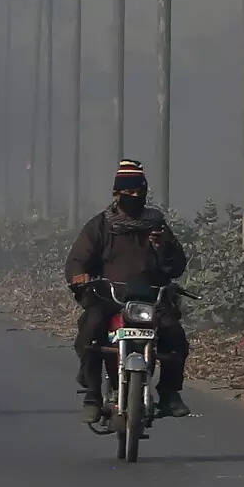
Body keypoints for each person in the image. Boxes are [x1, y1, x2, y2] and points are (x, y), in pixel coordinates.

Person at [64, 159, 191, 423]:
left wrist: (162, 246)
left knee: (174, 335)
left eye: (138, 192)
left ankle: (169, 393)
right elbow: (78, 259)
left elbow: (176, 265)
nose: (134, 197)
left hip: (150, 299)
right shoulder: (100, 226)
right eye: (128, 193)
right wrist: (79, 277)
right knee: (91, 330)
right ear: (117, 193)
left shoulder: (157, 224)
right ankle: (92, 393)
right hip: (109, 297)